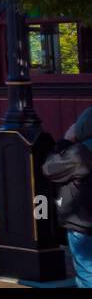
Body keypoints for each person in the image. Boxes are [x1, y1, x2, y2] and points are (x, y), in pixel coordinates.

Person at [42, 107, 92, 288]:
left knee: (87, 272)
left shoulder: (80, 153)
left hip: (83, 224)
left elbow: (50, 168)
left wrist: (65, 141)